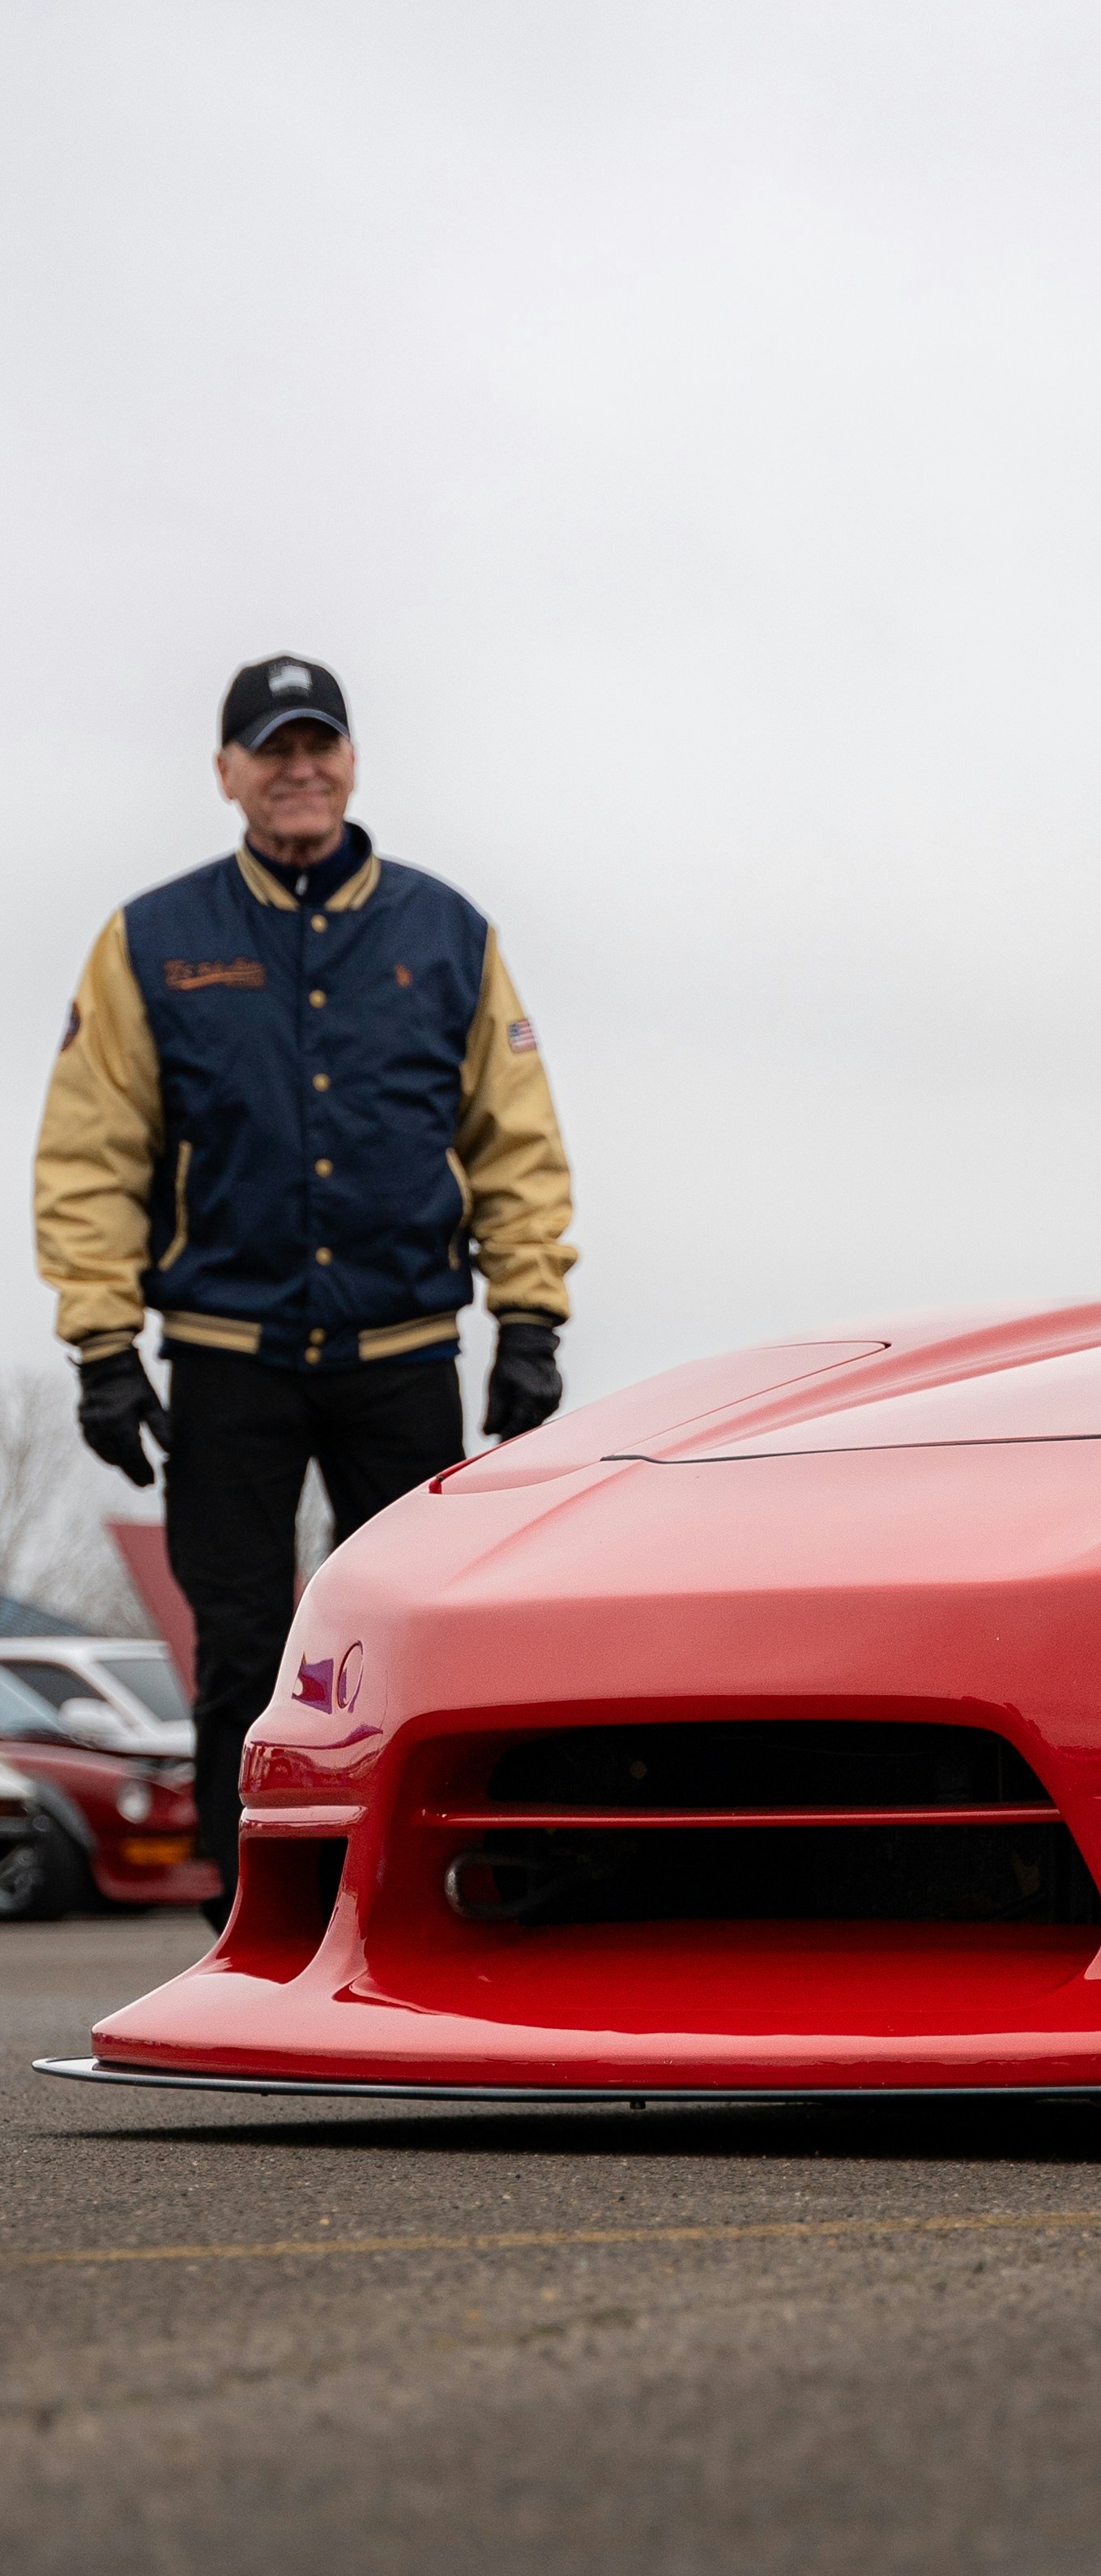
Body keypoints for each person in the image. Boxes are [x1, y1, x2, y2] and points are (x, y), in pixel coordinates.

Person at [32, 656, 577, 1901]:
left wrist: (532, 1316)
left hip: (403, 1365)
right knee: (238, 1655)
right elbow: (90, 1152)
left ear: (349, 760)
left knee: (425, 1645)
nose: (298, 768)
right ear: (226, 775)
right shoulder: (151, 943)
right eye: (270, 749)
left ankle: (442, 1898)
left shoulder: (447, 934)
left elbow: (517, 1140)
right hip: (227, 1367)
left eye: (318, 744)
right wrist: (104, 1349)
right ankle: (244, 1916)